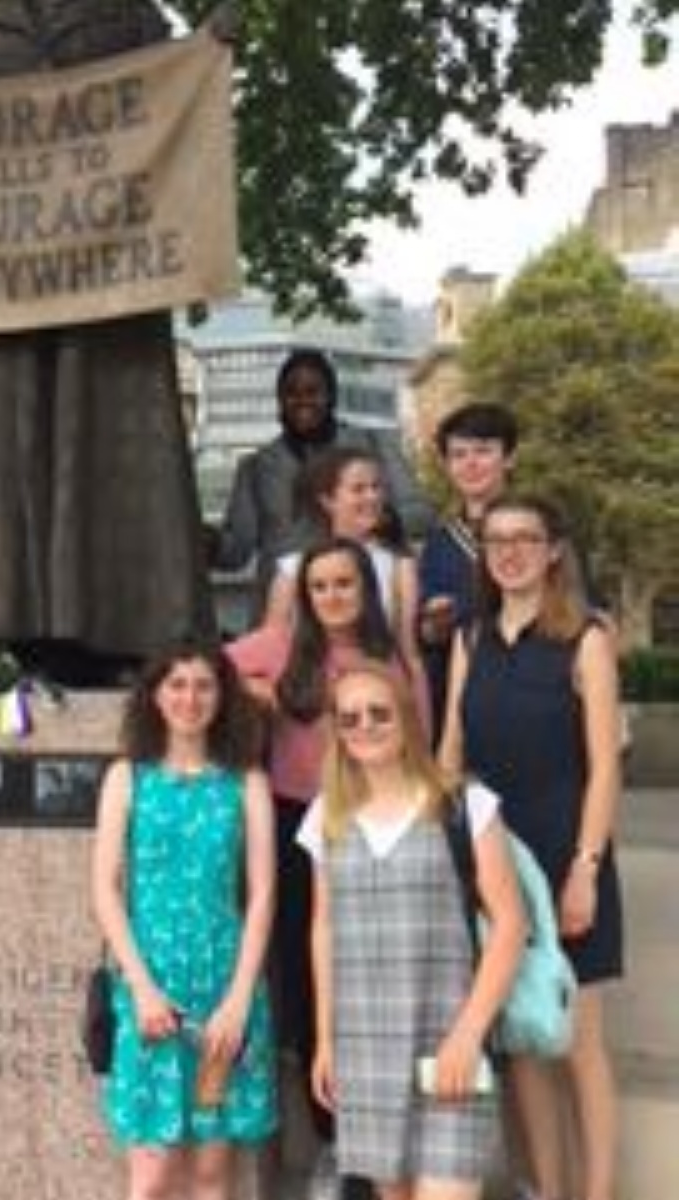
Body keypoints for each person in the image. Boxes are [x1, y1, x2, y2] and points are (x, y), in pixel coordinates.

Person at [0, 0, 215, 686]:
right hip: (11, 287)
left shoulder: (134, 17)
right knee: (14, 449)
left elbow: (171, 100)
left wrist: (211, 50)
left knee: (110, 445)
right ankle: (10, 635)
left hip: (111, 290)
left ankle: (132, 632)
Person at [227, 537, 427, 1200]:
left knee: (373, 980)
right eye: (321, 586)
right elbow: (202, 670)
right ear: (305, 595)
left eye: (346, 582)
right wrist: (256, 690)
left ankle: (387, 1143)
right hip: (296, 826)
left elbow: (421, 743)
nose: (334, 596)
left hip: (375, 828)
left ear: (365, 588)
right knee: (312, 987)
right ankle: (338, 1148)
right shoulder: (283, 646)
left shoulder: (392, 658)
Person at [440, 495, 623, 1200]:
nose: (510, 551)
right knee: (522, 1043)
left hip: (568, 851)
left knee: (576, 1042)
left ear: (553, 551)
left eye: (526, 538)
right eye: (496, 540)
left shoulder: (587, 638)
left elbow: (605, 766)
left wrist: (585, 868)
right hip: (496, 861)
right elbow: (451, 752)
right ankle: (548, 1189)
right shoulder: (470, 638)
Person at [299, 661, 525, 1200]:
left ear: (406, 717)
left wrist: (469, 1035)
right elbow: (322, 930)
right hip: (366, 1048)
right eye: (349, 718)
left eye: (380, 712)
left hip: (449, 1042)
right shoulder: (325, 816)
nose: (366, 726)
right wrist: (325, 1041)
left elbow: (511, 925)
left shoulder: (464, 806)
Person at [91, 640, 277, 1199]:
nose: (189, 698)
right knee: (149, 1176)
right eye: (176, 684)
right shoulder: (128, 778)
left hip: (224, 984)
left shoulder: (246, 781)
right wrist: (142, 989)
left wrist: (240, 999)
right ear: (154, 695)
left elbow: (264, 893)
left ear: (223, 697)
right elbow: (105, 889)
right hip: (151, 986)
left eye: (203, 685)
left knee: (211, 1174)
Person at [213, 349, 431, 622]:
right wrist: (203, 539)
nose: (302, 401)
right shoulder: (255, 467)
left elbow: (422, 516)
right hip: (284, 619)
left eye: (313, 391)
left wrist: (374, 516)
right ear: (280, 400)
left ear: (331, 396)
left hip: (361, 610)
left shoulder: (375, 445)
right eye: (292, 392)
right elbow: (235, 553)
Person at [267, 445, 422, 673]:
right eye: (358, 489)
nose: (372, 497)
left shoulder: (399, 566)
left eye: (376, 487)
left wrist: (421, 706)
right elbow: (270, 645)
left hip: (379, 691)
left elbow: (409, 653)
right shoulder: (294, 568)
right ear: (328, 500)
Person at [418, 403, 518, 742]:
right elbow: (427, 633)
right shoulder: (439, 543)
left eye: (483, 451)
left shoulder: (543, 530)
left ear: (509, 458)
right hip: (456, 705)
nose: (470, 463)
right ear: (447, 465)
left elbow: (587, 611)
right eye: (458, 454)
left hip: (534, 693)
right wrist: (432, 625)